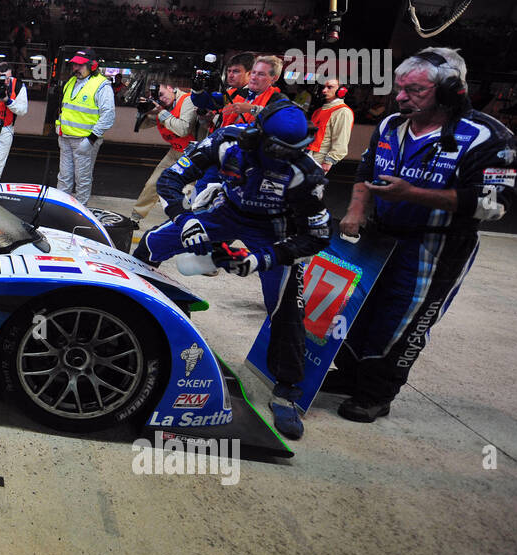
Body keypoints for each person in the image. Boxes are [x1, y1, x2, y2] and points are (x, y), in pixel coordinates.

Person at [331, 48, 517, 422]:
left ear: (451, 90)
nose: (401, 96)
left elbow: (495, 204)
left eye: (414, 89)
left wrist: (412, 194)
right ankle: (351, 375)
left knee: (401, 319)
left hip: (436, 247)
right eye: (400, 88)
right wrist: (356, 210)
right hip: (379, 238)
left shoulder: (488, 138)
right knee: (357, 310)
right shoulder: (390, 126)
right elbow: (365, 172)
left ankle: (375, 393)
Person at [133, 99, 331, 439]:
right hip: (225, 211)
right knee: (151, 245)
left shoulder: (307, 175)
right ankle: (131, 315)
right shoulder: (227, 140)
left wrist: (261, 259)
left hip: (275, 229)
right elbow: (170, 179)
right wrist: (186, 219)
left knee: (285, 304)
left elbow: (317, 237)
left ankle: (287, 390)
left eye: (293, 152)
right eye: (277, 150)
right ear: (258, 137)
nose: (285, 159)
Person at [129, 81, 198, 227]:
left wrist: (160, 112)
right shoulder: (162, 106)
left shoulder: (187, 100)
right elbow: (142, 126)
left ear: (170, 88)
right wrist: (144, 111)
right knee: (153, 184)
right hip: (175, 151)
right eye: (157, 96)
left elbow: (183, 129)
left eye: (162, 94)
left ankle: (184, 224)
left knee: (187, 192)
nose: (161, 98)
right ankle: (135, 217)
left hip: (192, 154)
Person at [55, 48, 115, 204]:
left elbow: (108, 116)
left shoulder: (102, 85)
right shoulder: (71, 81)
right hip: (66, 137)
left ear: (92, 66)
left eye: (80, 65)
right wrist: (58, 126)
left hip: (85, 140)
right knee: (64, 177)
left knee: (82, 180)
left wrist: (91, 139)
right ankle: (61, 208)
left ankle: (81, 212)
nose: (75, 68)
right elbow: (64, 108)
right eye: (74, 65)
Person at [221, 54, 285, 127]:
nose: (254, 77)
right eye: (253, 72)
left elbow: (283, 122)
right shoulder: (238, 93)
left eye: (261, 74)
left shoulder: (278, 99)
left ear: (274, 78)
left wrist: (252, 109)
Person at [307, 78, 355, 174]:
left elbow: (341, 140)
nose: (324, 90)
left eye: (330, 87)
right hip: (308, 154)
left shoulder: (343, 112)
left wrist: (329, 161)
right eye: (324, 87)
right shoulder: (319, 110)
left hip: (318, 158)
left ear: (342, 91)